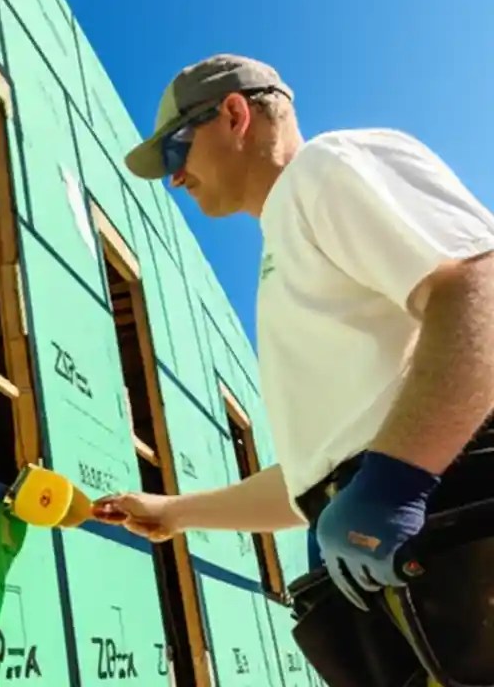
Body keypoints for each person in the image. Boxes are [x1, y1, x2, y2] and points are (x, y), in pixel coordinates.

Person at [103, 53, 494, 687]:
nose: (174, 179)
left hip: (448, 532)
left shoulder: (325, 170)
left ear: (234, 114)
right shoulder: (285, 248)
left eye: (176, 154)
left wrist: (396, 480)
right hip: (394, 557)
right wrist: (176, 511)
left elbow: (478, 287)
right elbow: (316, 475)